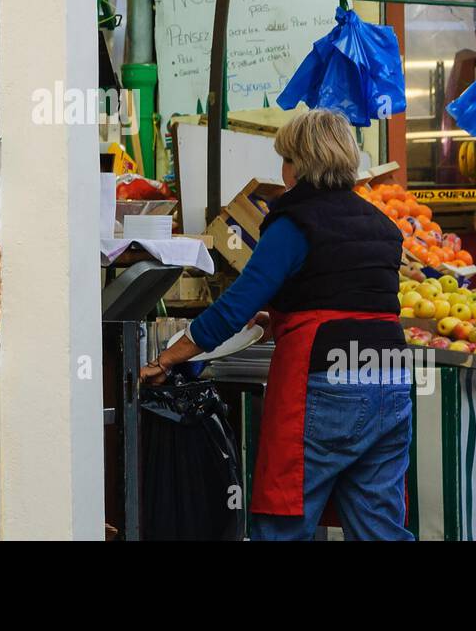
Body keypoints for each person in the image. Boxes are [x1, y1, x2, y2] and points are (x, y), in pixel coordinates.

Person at [142, 108, 414, 541]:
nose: (282, 170)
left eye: (285, 159)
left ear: (299, 165)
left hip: (326, 382)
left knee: (283, 524)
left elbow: (234, 307)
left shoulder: (294, 222)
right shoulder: (382, 225)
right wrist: (284, 315)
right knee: (378, 526)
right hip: (391, 377)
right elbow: (350, 296)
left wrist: (170, 356)